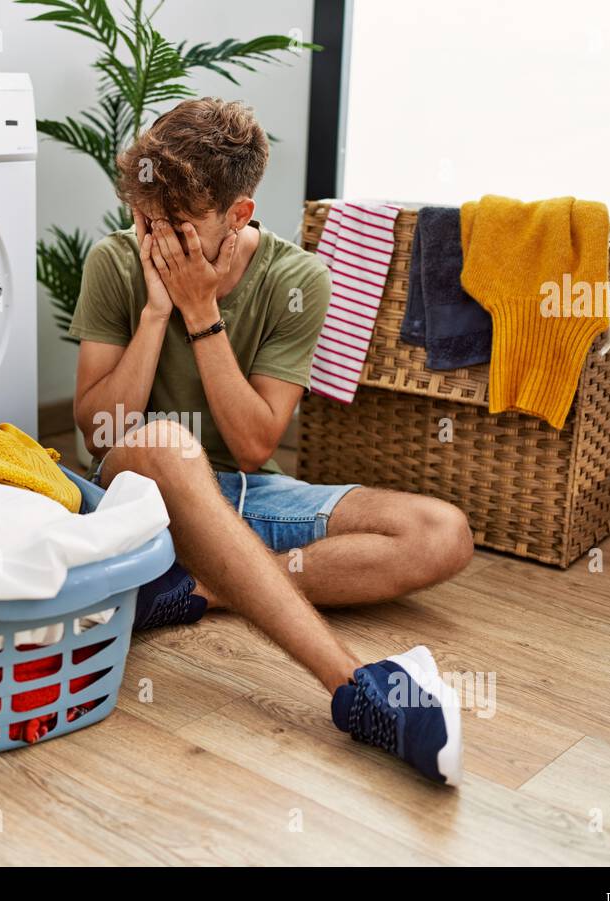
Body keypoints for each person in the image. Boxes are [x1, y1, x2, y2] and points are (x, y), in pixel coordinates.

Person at [68, 98, 472, 786]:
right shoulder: (115, 260)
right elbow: (96, 426)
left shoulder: (297, 279)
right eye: (145, 222)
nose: (157, 241)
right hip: (138, 488)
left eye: (179, 228)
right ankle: (353, 685)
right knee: (168, 442)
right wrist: (155, 312)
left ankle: (207, 587)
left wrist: (201, 314)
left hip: (244, 492)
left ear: (238, 215)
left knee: (443, 533)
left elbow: (255, 445)